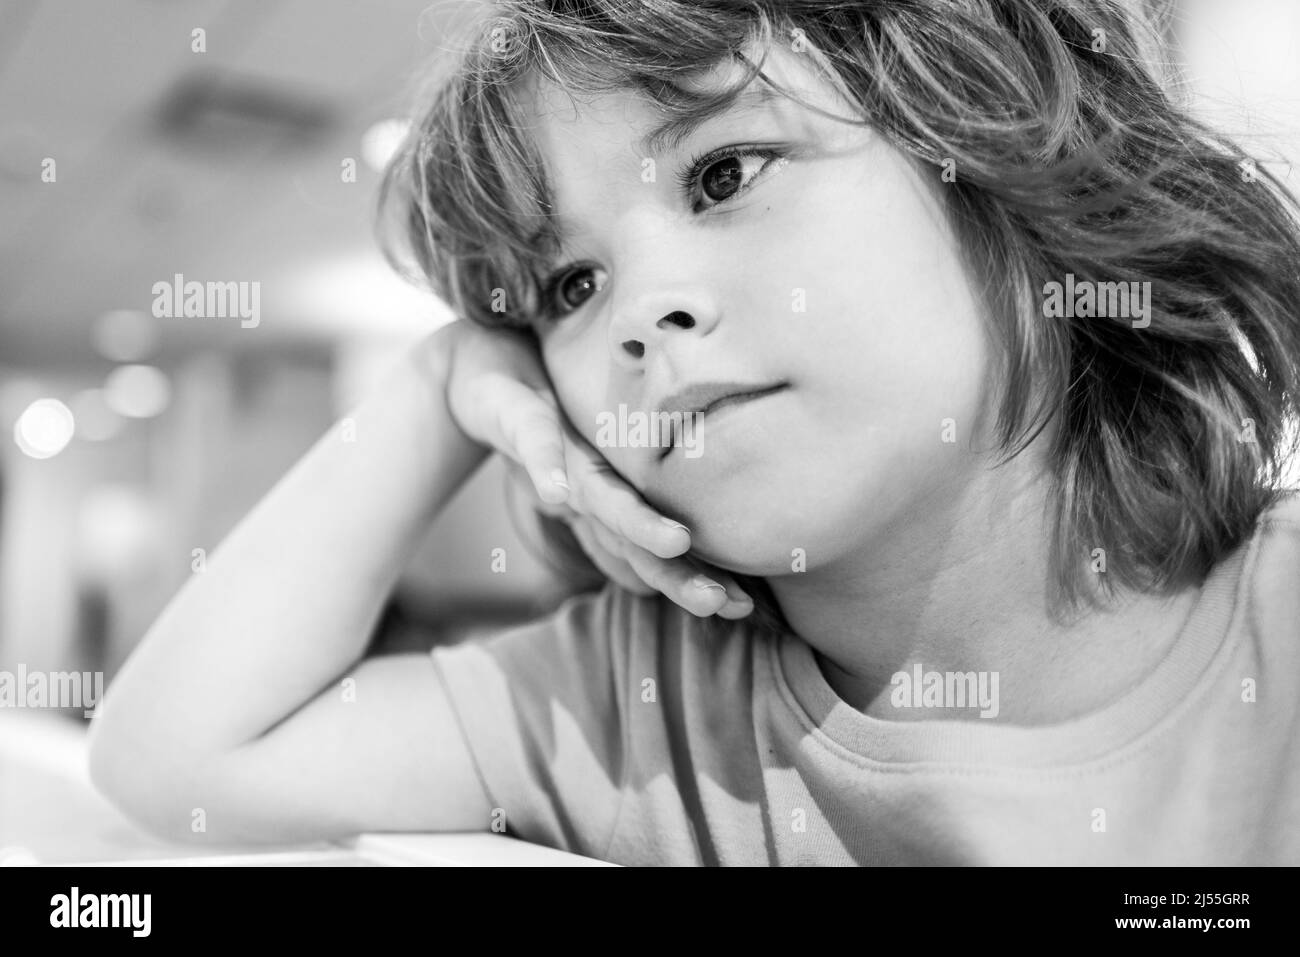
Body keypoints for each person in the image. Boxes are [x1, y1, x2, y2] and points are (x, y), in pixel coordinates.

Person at [89, 0, 1300, 865]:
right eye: (566, 287)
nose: (639, 316)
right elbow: (173, 762)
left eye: (723, 173)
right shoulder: (633, 708)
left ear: (992, 157)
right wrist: (439, 382)